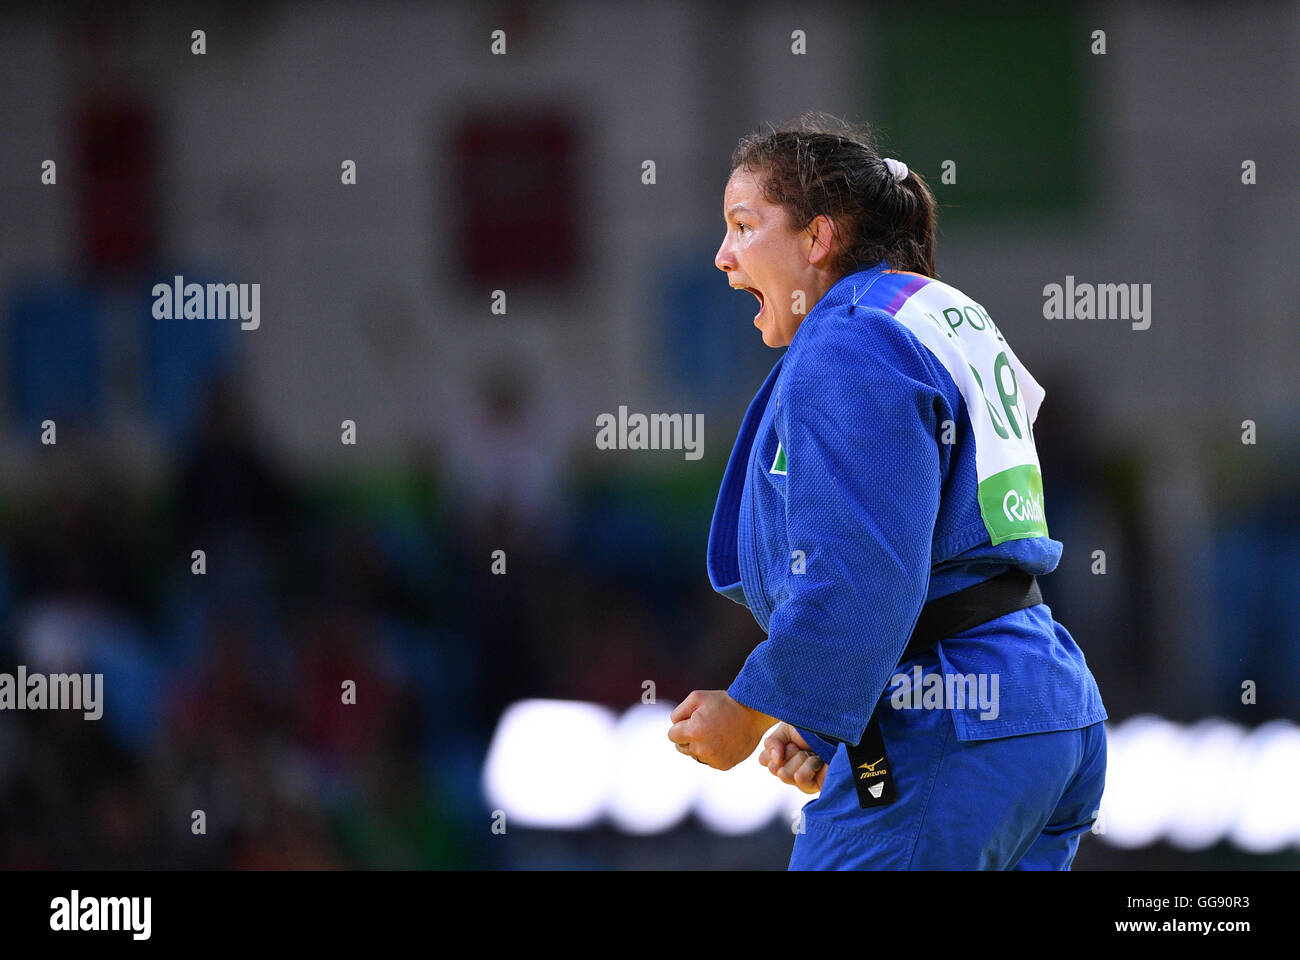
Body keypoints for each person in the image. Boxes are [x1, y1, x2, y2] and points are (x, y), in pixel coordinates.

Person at [666, 114, 1107, 870]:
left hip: (951, 724)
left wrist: (749, 708)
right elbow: (936, 548)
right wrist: (829, 715)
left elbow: (865, 573)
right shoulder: (932, 312)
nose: (724, 257)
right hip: (1040, 704)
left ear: (817, 239)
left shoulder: (849, 340)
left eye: (744, 227)